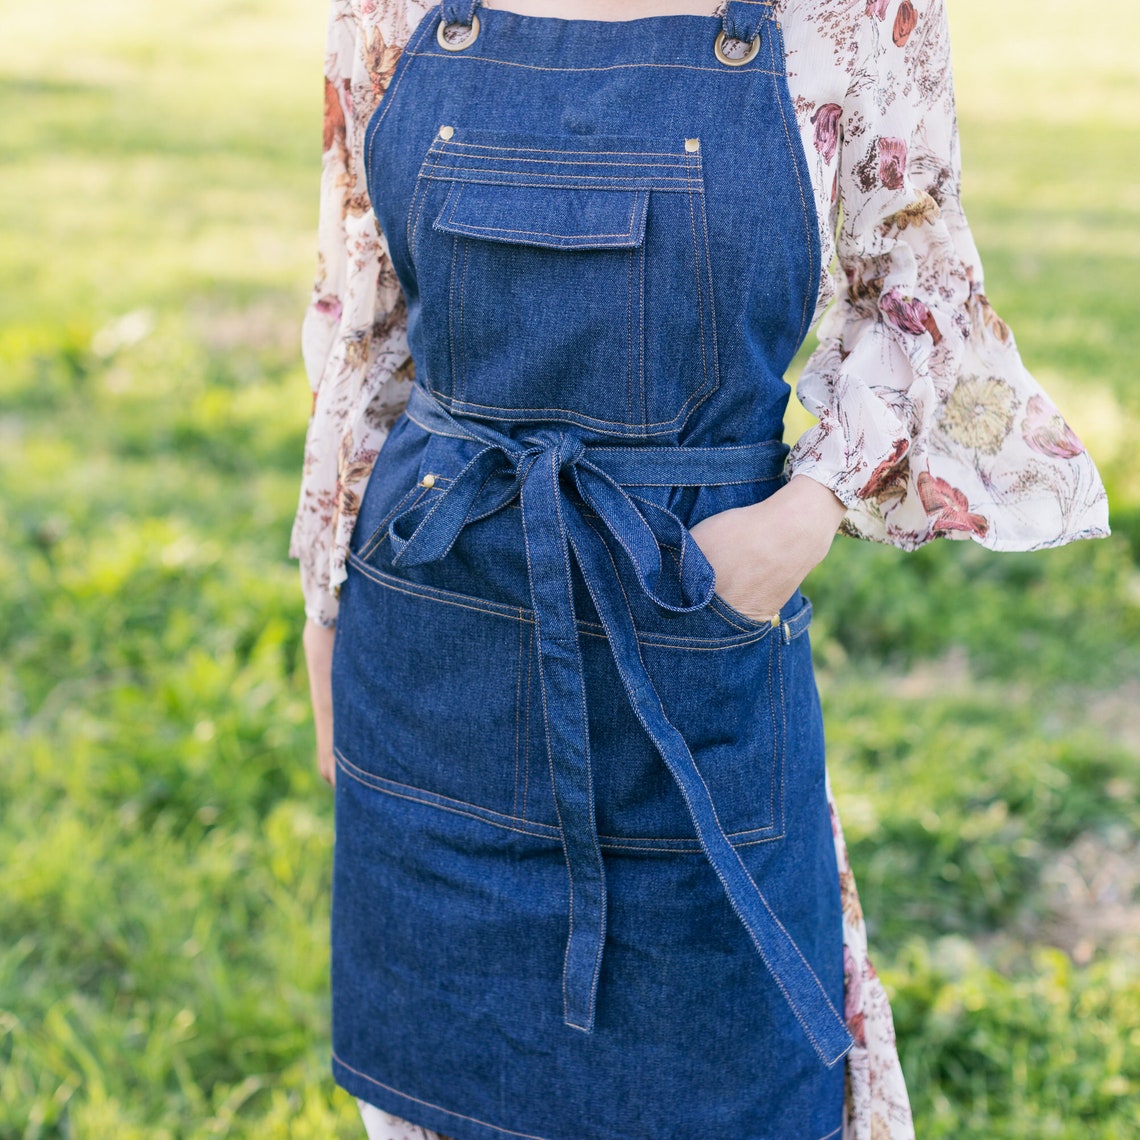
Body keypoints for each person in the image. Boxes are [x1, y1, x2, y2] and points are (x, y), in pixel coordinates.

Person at [292, 0, 1109, 1136]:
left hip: (690, 618)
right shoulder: (390, 10)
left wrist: (806, 515)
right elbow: (360, 316)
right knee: (447, 1100)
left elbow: (923, 295)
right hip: (436, 623)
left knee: (737, 1085)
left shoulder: (846, 17)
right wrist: (324, 586)